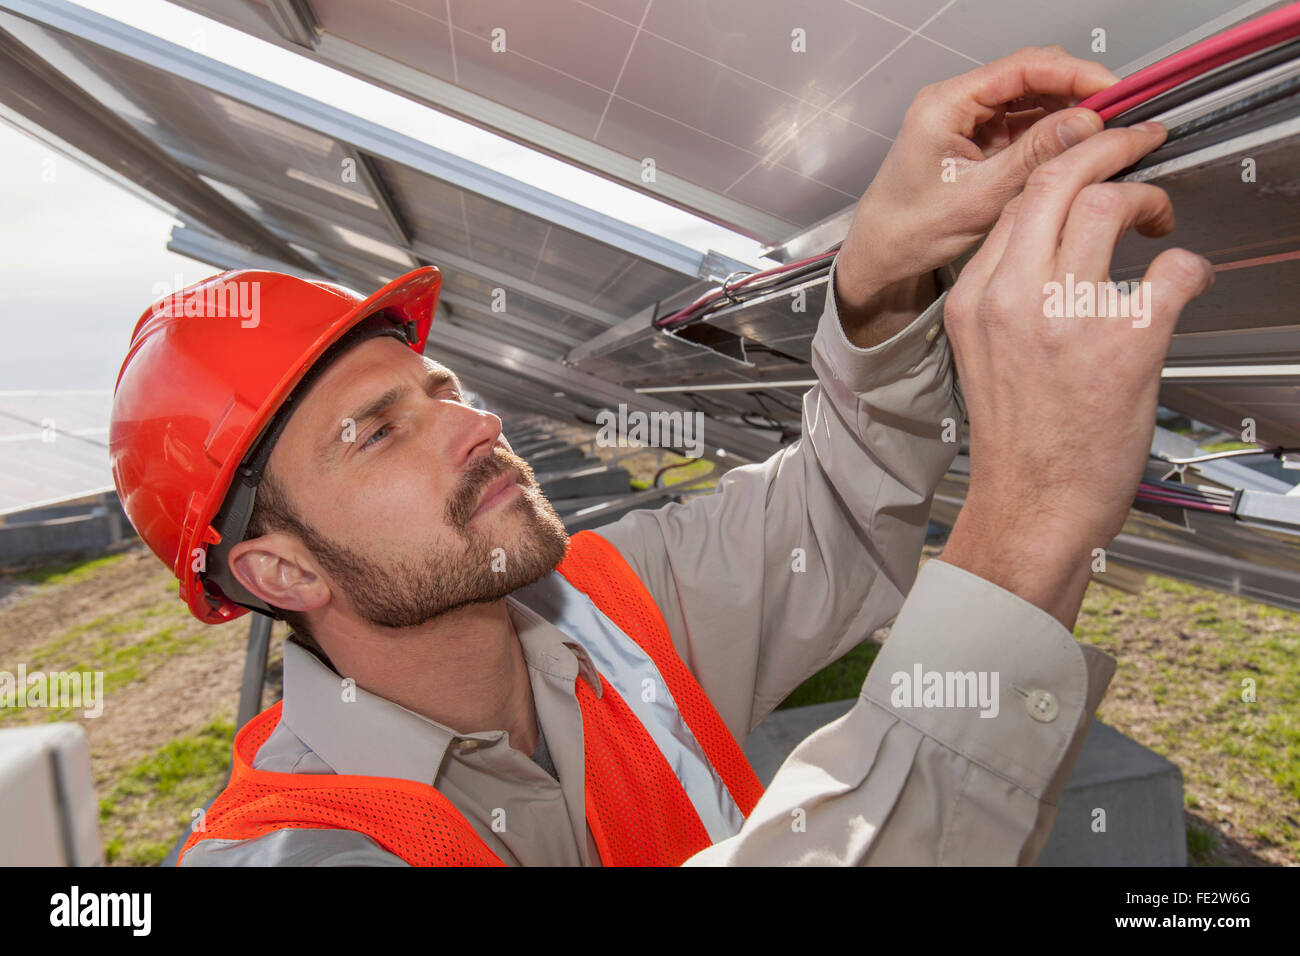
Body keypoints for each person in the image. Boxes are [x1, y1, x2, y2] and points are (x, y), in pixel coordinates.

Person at [109, 46, 1212, 866]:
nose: (474, 419)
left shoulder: (602, 606)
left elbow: (830, 510)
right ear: (282, 572)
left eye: (442, 387)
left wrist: (876, 279)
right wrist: (1028, 520)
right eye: (379, 430)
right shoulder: (299, 849)